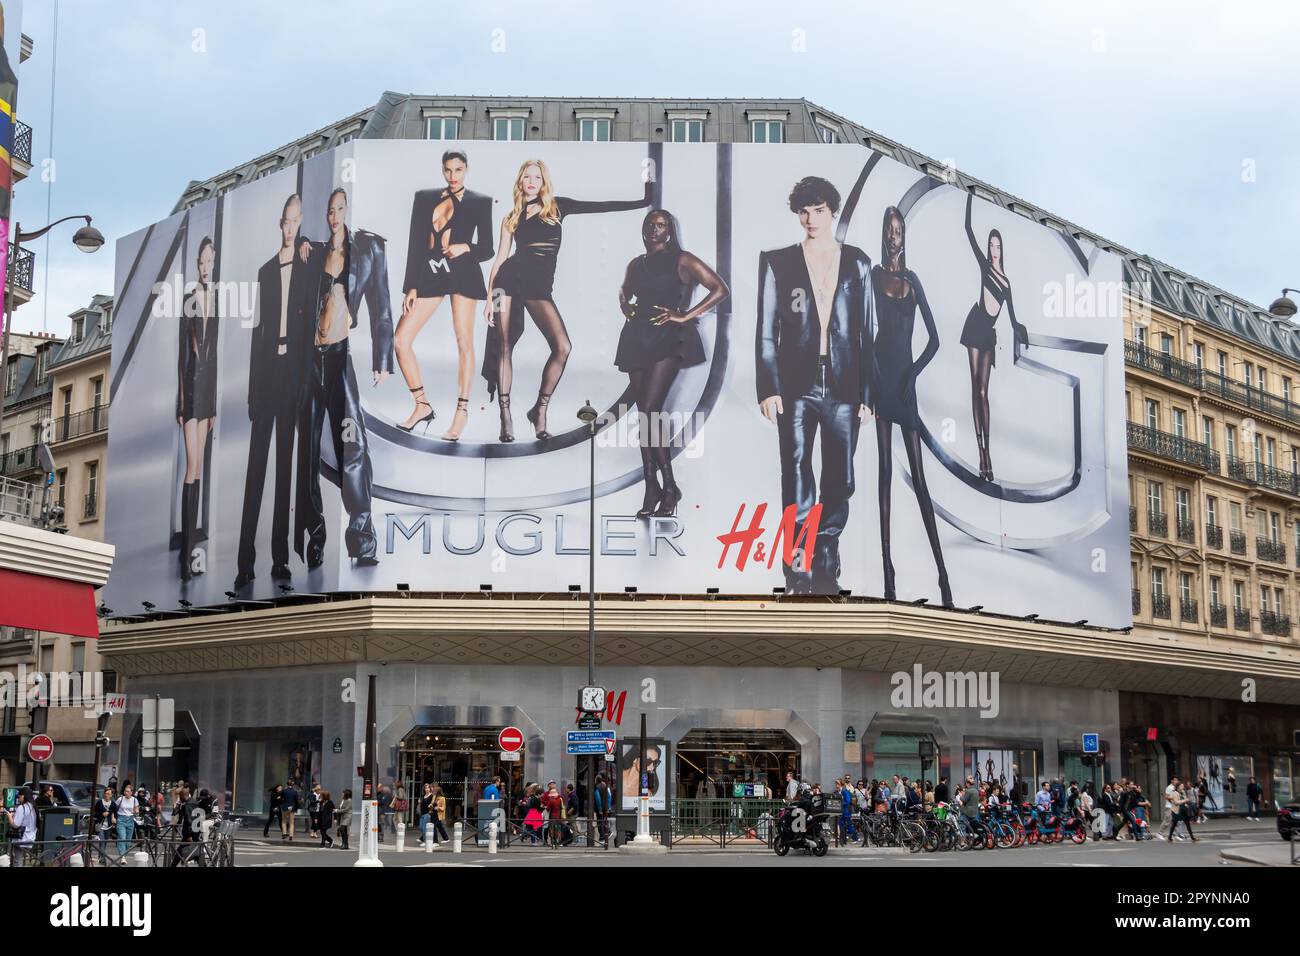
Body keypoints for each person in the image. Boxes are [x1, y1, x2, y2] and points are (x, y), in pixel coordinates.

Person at [756, 176, 873, 594]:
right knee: (796, 470)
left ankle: (827, 548)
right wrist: (768, 387)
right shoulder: (778, 261)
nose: (810, 218)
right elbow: (766, 329)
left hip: (845, 384)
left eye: (818, 210)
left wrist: (868, 395)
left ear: (832, 212)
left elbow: (867, 333)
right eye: (804, 211)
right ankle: (798, 566)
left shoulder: (858, 262)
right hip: (795, 384)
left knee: (840, 476)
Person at [482, 157, 653, 442]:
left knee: (562, 347)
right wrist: (489, 298)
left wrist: (643, 200)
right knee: (504, 346)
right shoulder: (511, 217)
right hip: (506, 282)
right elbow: (500, 259)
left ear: (543, 181)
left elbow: (602, 205)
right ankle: (505, 415)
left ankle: (539, 409)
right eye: (526, 177)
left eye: (536, 177)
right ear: (520, 182)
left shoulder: (558, 207)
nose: (531, 182)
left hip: (538, 287)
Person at [295, 186, 394, 569]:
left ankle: (363, 541)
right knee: (307, 457)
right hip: (311, 361)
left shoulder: (367, 249)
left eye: (340, 209)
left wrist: (382, 359)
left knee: (352, 446)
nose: (335, 216)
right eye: (330, 210)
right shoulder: (316, 253)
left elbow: (382, 306)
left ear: (348, 210)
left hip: (339, 358)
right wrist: (303, 243)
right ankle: (315, 537)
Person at [616, 208, 729, 517]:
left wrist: (685, 315)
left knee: (651, 410)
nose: (654, 229)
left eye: (661, 225)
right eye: (650, 224)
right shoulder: (635, 265)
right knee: (644, 415)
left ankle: (669, 487)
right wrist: (625, 303)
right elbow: (625, 290)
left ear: (670, 231)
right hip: (636, 336)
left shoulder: (682, 259)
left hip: (668, 337)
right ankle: (652, 485)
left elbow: (720, 289)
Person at [868, 206, 951, 606]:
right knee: (885, 471)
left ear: (904, 236)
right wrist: (872, 383)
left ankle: (943, 578)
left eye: (899, 230)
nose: (894, 236)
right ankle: (888, 573)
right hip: (883, 379)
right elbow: (865, 333)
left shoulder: (912, 280)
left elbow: (935, 340)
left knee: (920, 478)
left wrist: (912, 375)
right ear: (883, 234)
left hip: (905, 381)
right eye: (890, 229)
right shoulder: (873, 277)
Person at [235, 194, 313, 591]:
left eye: (296, 221)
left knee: (285, 469)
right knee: (256, 471)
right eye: (286, 221)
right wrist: (251, 391)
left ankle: (279, 560)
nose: (290, 227)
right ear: (279, 223)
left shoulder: (305, 267)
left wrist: (301, 386)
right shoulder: (265, 271)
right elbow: (255, 333)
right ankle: (244, 560)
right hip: (266, 375)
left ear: (300, 224)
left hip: (291, 376)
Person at [395, 150, 495, 439]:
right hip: (430, 271)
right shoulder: (425, 198)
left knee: (464, 341)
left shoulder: (480, 201)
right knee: (401, 340)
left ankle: (461, 412)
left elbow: (487, 247)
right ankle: (422, 405)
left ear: (467, 169)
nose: (453, 176)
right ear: (442, 170)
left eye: (458, 170)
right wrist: (411, 286)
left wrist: (466, 248)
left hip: (463, 271)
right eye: (448, 170)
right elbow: (416, 243)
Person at [959, 192, 1029, 482]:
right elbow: (968, 231)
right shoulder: (985, 266)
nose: (994, 248)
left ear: (1002, 248)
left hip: (988, 333)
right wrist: (968, 201)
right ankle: (981, 453)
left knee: (984, 392)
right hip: (974, 323)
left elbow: (1012, 318)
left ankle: (987, 450)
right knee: (976, 387)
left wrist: (1021, 330)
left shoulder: (1006, 281)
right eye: (991, 244)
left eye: (997, 245)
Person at [176, 236, 220, 583]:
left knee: (199, 467)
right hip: (191, 390)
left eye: (210, 262)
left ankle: (189, 548)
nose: (206, 268)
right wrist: (181, 403)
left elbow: (215, 354)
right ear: (197, 264)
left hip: (207, 394)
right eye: (202, 263)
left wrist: (215, 404)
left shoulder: (216, 300)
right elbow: (182, 355)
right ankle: (186, 550)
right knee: (191, 465)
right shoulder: (190, 299)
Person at [3, 787, 36, 861]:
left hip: (21, 839)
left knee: (17, 861)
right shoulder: (34, 808)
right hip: (31, 838)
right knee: (21, 860)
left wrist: (9, 816)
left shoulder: (22, 808)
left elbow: (15, 825)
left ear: (23, 796)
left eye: (19, 796)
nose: (18, 798)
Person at [115, 783, 140, 857]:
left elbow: (136, 809)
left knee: (128, 841)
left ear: (131, 792)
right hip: (121, 819)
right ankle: (122, 856)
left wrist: (136, 811)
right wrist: (113, 817)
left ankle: (124, 855)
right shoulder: (120, 799)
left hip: (130, 820)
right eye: (125, 791)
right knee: (122, 838)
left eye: (128, 791)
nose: (126, 793)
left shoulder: (134, 800)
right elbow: (114, 808)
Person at [594, 774, 612, 847]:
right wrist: (608, 807)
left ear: (596, 780)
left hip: (600, 808)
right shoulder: (605, 786)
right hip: (606, 807)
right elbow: (609, 797)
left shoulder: (597, 787)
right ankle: (607, 834)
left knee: (600, 822)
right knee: (604, 821)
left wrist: (600, 808)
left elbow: (597, 798)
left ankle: (602, 838)